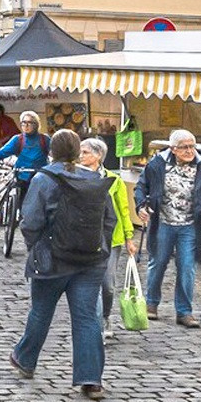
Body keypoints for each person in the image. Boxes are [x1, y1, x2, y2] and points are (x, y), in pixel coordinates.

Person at [9, 130, 115, 400]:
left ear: (50, 152)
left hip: (53, 259)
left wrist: (37, 247)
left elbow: (31, 221)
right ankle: (91, 380)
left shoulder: (44, 178)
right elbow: (109, 219)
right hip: (90, 260)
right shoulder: (94, 178)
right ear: (78, 151)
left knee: (41, 312)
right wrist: (99, 246)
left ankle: (25, 359)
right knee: (87, 318)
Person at [135, 129, 201, 328]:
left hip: (190, 225)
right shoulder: (157, 164)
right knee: (157, 263)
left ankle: (184, 312)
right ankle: (151, 304)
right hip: (163, 222)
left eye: (192, 146)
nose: (190, 150)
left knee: (187, 268)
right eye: (184, 147)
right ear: (173, 149)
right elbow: (141, 187)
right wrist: (141, 206)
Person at [78, 137, 136, 338]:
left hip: (112, 238)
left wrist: (129, 237)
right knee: (89, 284)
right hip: (86, 238)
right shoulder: (76, 177)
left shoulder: (114, 179)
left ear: (98, 156)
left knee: (108, 284)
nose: (81, 155)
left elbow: (124, 209)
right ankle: (94, 323)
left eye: (85, 152)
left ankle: (105, 317)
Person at [0, 110, 50, 206]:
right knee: (22, 204)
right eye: (24, 122)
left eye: (30, 122)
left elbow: (55, 152)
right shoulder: (18, 139)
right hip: (22, 177)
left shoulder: (44, 139)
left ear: (36, 124)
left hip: (40, 177)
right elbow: (4, 151)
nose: (26, 125)